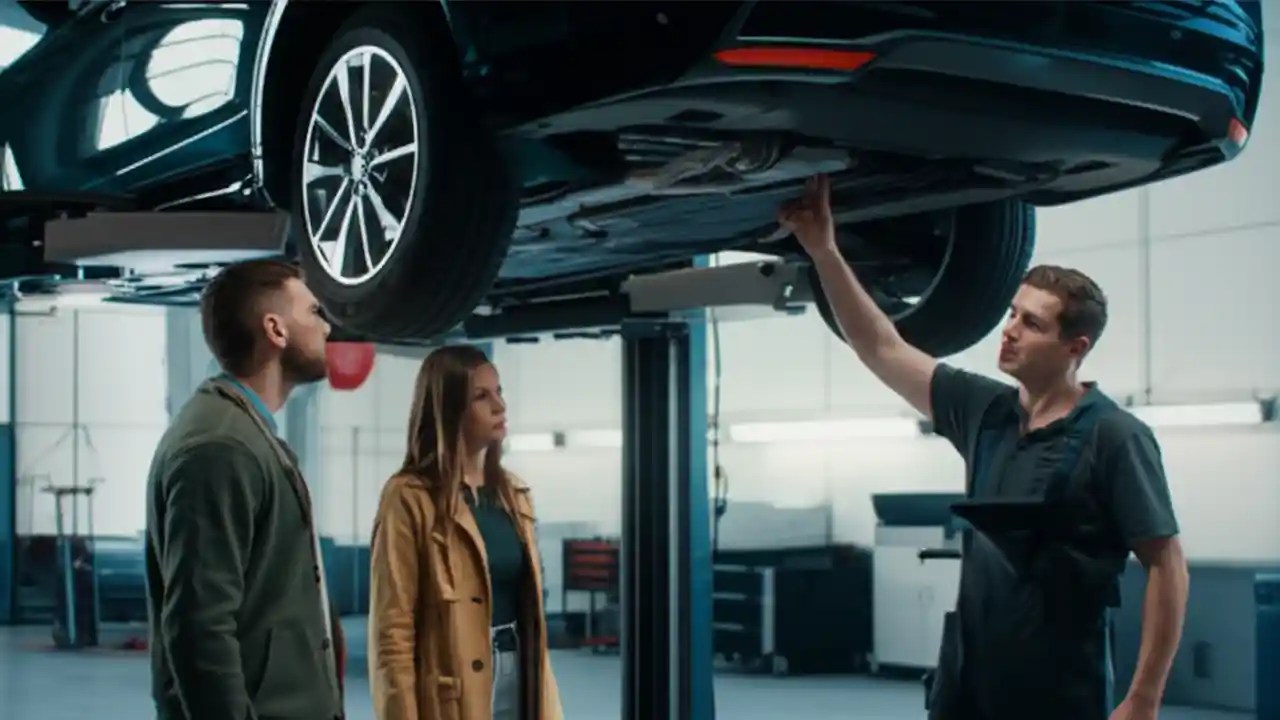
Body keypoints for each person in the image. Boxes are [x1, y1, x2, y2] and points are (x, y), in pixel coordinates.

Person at [780, 175, 1189, 720]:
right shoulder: (984, 410)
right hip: (967, 678)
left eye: (1032, 323)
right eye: (1012, 313)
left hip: (1057, 688)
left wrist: (1145, 696)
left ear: (1075, 347)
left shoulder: (1115, 436)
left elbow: (1167, 565)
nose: (1009, 330)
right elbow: (880, 346)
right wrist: (824, 250)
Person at [144, 259, 346, 720]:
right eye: (315, 313)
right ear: (275, 330)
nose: (327, 329)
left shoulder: (247, 433)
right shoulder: (220, 447)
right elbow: (200, 627)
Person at [368, 344, 563, 720]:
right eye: (481, 396)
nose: (499, 406)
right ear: (450, 410)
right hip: (453, 690)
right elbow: (393, 634)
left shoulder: (514, 495)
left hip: (521, 671)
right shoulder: (409, 498)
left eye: (500, 392)